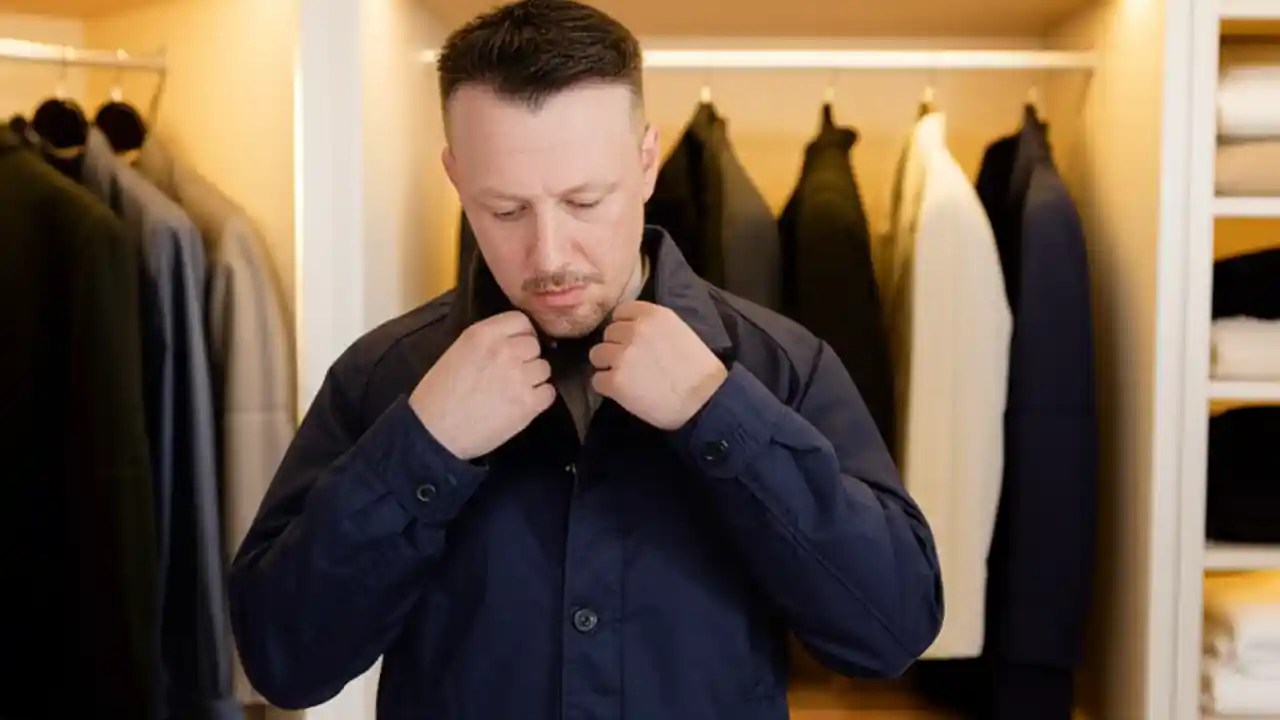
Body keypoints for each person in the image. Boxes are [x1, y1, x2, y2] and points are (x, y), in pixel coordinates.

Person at [227, 1, 943, 717]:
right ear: (456, 177)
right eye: (505, 211)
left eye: (585, 200)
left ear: (647, 163)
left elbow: (890, 630)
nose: (549, 256)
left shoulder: (781, 365)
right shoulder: (383, 377)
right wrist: (423, 448)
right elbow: (284, 664)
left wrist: (720, 415)